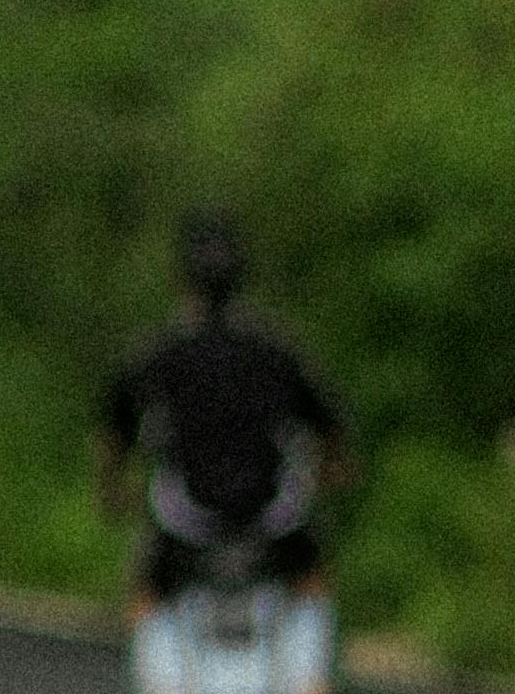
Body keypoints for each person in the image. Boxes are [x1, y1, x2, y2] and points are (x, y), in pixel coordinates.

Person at [97, 213, 354, 598]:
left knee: (147, 595)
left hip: (185, 520)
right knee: (312, 584)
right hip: (273, 518)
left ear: (181, 278)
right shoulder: (277, 350)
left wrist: (112, 491)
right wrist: (331, 471)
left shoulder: (159, 353)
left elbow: (115, 431)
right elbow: (330, 425)